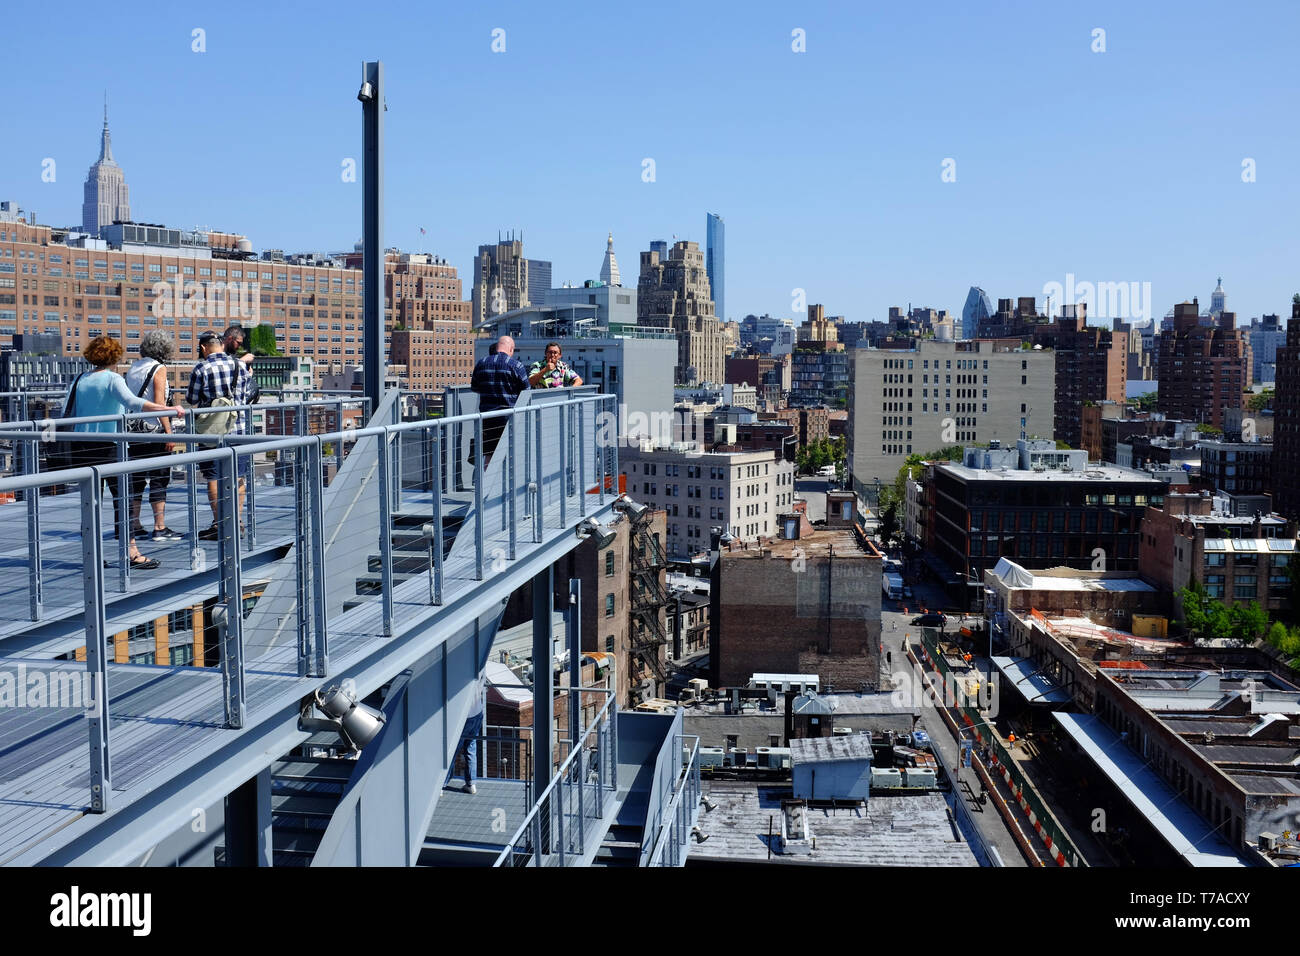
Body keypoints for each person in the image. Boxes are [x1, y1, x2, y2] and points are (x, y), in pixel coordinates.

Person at [67, 336, 187, 569]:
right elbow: (134, 403)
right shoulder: (112, 378)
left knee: (90, 503)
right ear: (114, 357)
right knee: (123, 498)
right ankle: (131, 553)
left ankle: (91, 555)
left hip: (82, 446)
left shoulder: (79, 380)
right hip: (110, 446)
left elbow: (68, 411)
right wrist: (170, 409)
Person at [188, 330, 249, 539]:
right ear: (221, 345)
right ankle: (237, 521)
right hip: (239, 430)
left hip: (212, 433)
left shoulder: (201, 368)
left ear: (204, 348)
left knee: (213, 477)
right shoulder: (239, 365)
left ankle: (219, 524)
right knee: (239, 477)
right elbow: (248, 394)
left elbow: (191, 398)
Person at [125, 330, 182, 540]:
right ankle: (160, 527)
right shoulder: (159, 368)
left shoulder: (133, 367)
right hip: (153, 430)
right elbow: (160, 404)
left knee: (136, 480)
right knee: (159, 478)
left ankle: (135, 524)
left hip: (132, 431)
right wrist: (169, 432)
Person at [470, 334, 530, 465]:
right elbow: (526, 391)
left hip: (486, 417)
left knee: (489, 455)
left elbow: (474, 387)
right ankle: (508, 483)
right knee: (511, 453)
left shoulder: (482, 363)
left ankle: (487, 483)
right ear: (511, 349)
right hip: (509, 417)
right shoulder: (517, 366)